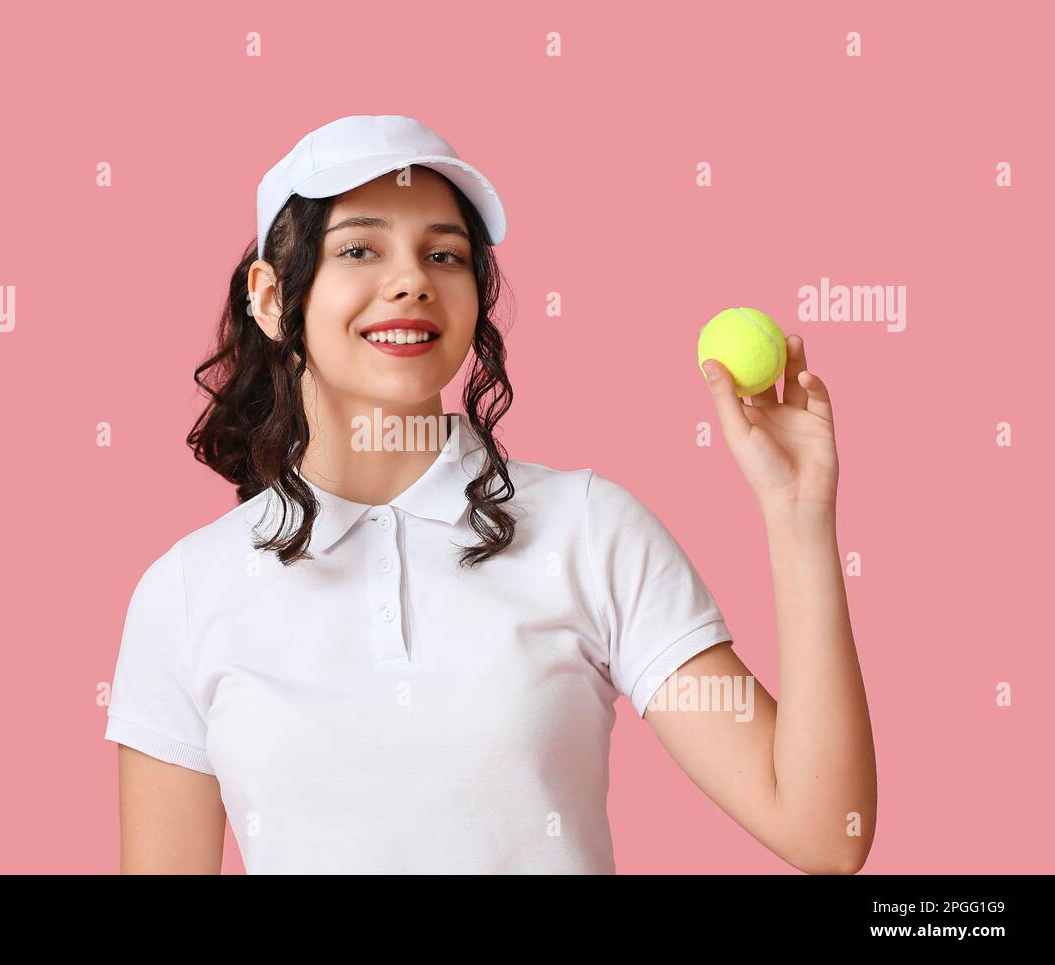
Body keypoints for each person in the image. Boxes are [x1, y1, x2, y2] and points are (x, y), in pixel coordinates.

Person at [103, 114, 876, 874]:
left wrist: (799, 516)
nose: (410, 280)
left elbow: (823, 830)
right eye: (360, 248)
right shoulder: (186, 592)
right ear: (271, 299)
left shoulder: (588, 529)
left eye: (444, 254)